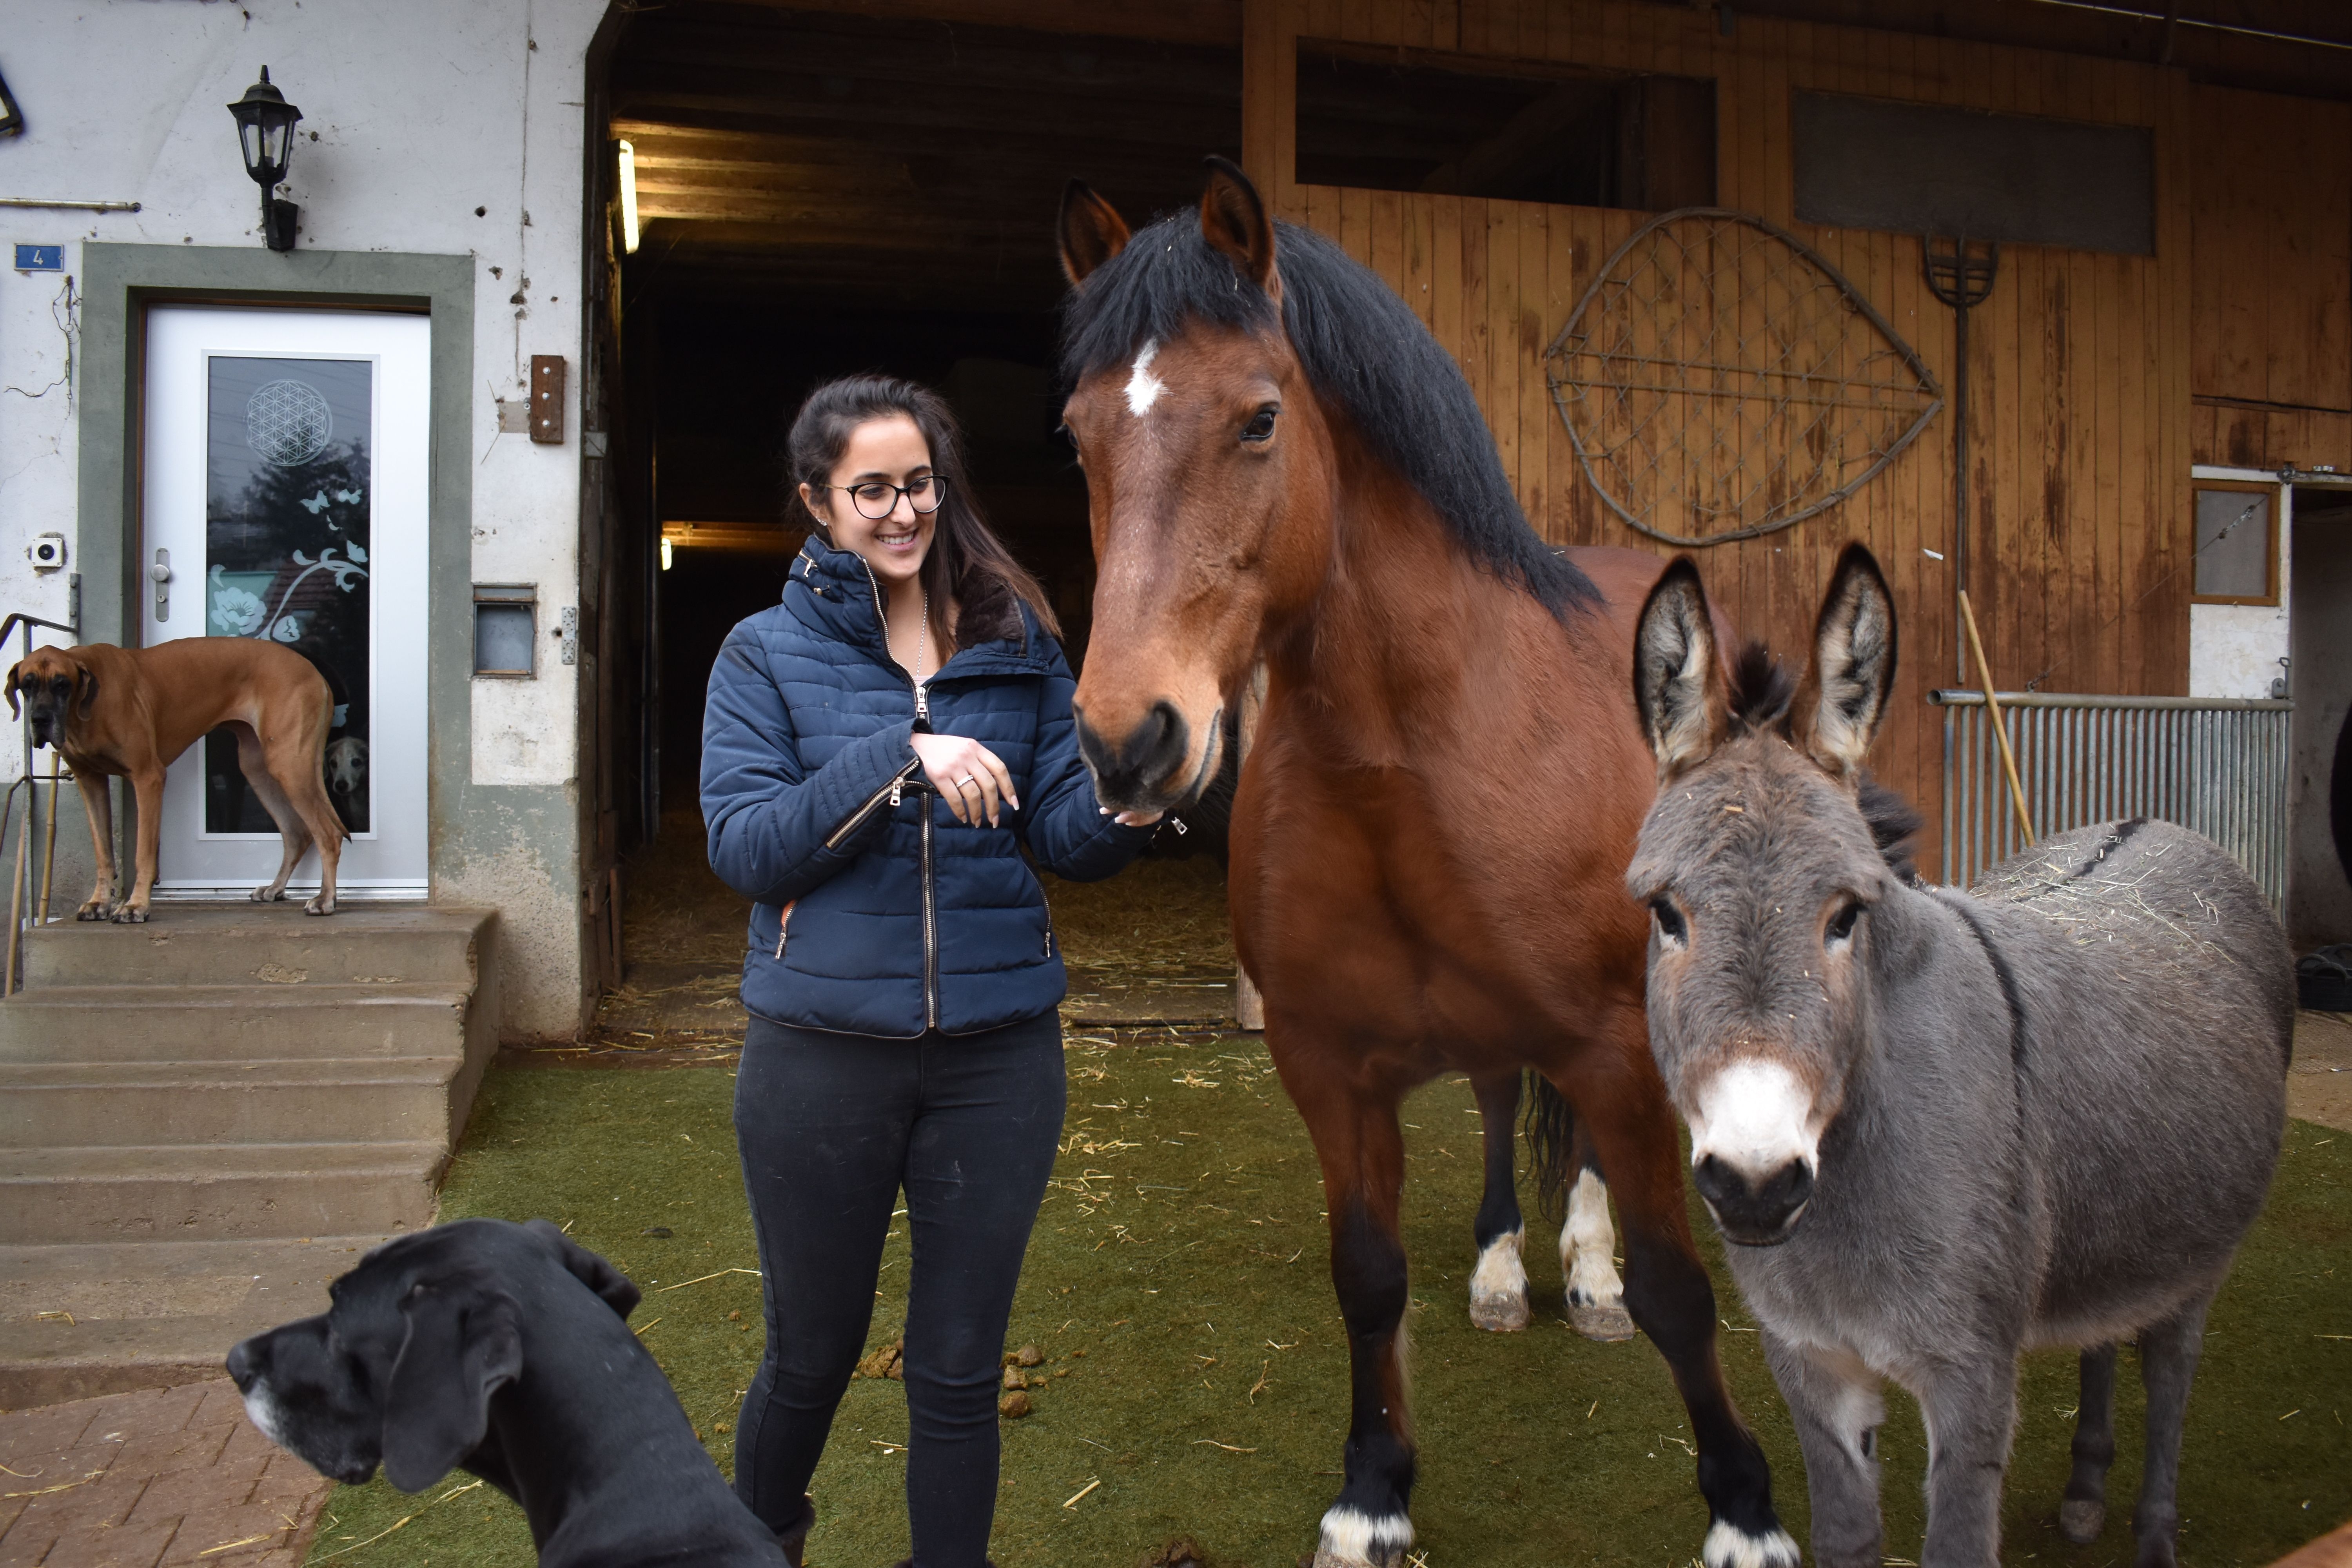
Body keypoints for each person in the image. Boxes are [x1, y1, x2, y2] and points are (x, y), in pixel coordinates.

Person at [701, 373, 1160, 1568]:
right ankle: (763, 1543)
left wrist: (1132, 802)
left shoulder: (1017, 641)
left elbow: (1059, 835)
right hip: (820, 1059)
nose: (903, 512)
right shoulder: (763, 656)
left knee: (959, 1365)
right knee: (812, 1352)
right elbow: (746, 847)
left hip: (999, 1058)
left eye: (920, 484)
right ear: (817, 502)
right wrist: (899, 754)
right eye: (872, 491)